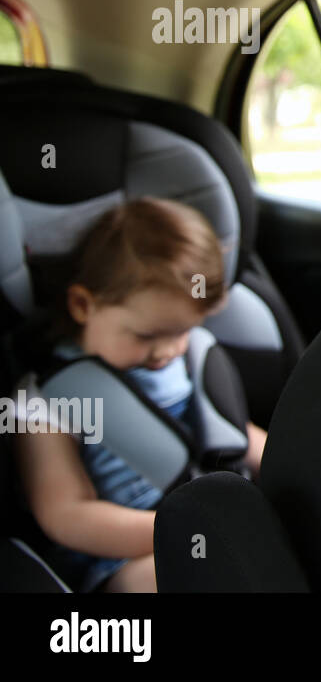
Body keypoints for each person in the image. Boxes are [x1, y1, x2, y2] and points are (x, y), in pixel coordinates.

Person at [13, 197, 267, 592]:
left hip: (221, 520)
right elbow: (64, 513)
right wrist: (184, 530)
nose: (167, 351)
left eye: (183, 332)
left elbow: (236, 435)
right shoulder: (45, 399)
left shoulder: (185, 362)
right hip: (123, 558)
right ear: (83, 305)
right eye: (147, 336)